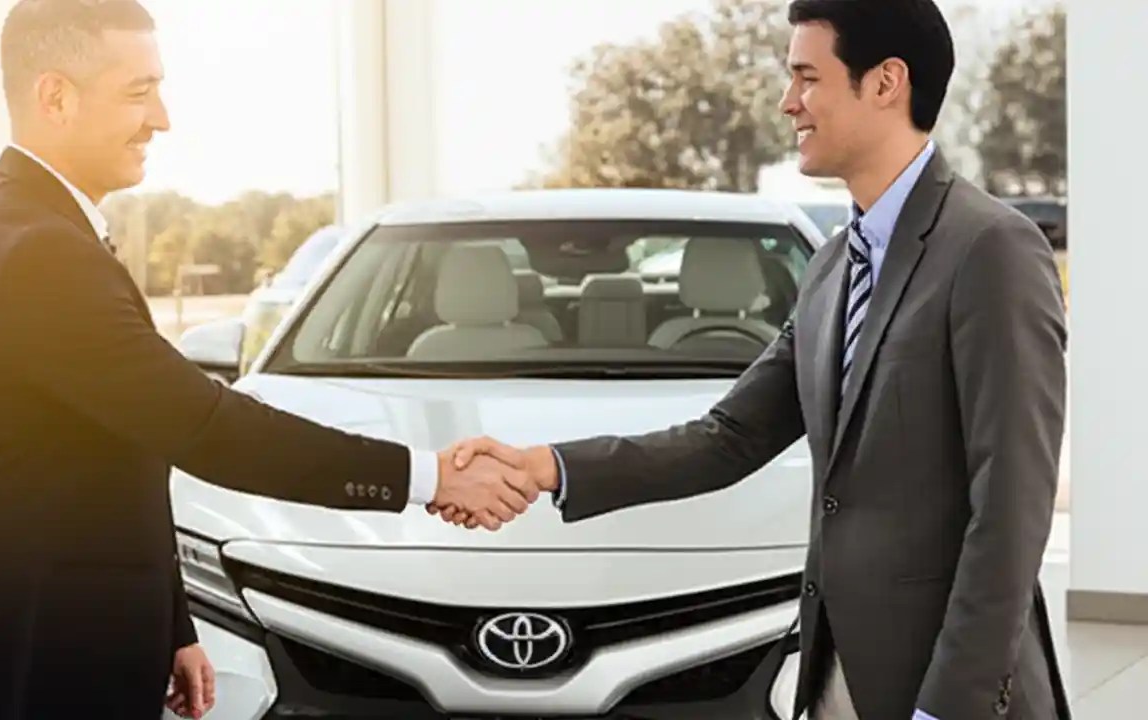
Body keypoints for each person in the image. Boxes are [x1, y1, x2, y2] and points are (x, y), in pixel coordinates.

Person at [436, 1, 1070, 718]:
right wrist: (543, 466)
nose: (787, 101)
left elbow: (1012, 510)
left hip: (947, 689)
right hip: (840, 674)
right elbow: (726, 439)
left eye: (807, 77)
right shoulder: (834, 266)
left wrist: (946, 708)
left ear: (886, 82)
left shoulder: (991, 250)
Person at [0, 1, 534, 718]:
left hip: (57, 641)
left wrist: (170, 624)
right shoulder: (34, 250)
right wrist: (426, 476)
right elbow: (203, 427)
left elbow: (114, 446)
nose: (161, 118)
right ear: (55, 97)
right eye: (138, 92)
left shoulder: (33, 226)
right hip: (26, 662)